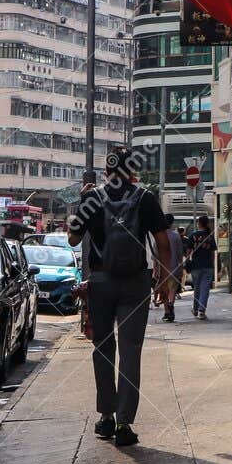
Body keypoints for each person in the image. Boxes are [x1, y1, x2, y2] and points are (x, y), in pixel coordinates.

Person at [68, 146, 171, 447]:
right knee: (130, 351)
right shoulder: (145, 198)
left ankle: (106, 417)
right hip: (136, 282)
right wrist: (165, 280)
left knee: (103, 349)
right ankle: (125, 423)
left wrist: (83, 202)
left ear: (106, 172)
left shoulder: (92, 198)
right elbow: (163, 242)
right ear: (132, 172)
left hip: (101, 282)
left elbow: (72, 238)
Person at [185, 214, 215, 319]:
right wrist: (212, 264)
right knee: (205, 288)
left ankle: (195, 309)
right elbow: (212, 253)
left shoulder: (193, 235)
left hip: (196, 265)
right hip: (208, 265)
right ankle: (201, 310)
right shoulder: (210, 236)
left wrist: (187, 262)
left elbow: (188, 252)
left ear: (199, 223)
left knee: (197, 288)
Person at [161, 213, 184, 322]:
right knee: (172, 290)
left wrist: (155, 269)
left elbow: (155, 254)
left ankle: (167, 311)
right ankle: (171, 304)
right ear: (172, 223)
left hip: (163, 268)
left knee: (164, 290)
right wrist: (181, 266)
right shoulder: (176, 236)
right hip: (174, 267)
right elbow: (180, 253)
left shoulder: (160, 236)